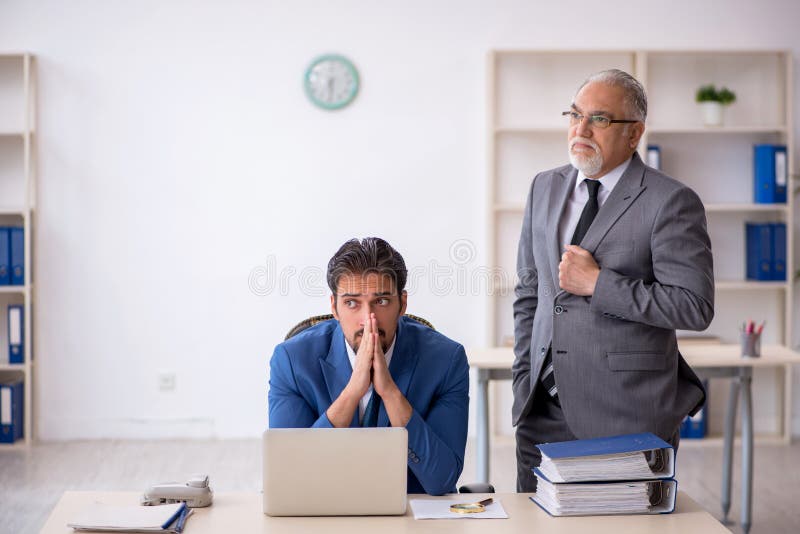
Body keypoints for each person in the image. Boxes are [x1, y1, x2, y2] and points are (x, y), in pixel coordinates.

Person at [512, 69, 714, 492]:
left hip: (627, 410)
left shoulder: (670, 201)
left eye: (600, 119)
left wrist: (599, 284)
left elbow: (694, 306)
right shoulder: (544, 187)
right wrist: (523, 383)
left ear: (634, 133)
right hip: (541, 408)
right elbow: (530, 294)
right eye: (575, 114)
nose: (581, 129)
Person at [268, 237, 469, 495]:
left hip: (410, 514)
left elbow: (440, 480)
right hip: (323, 507)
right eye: (352, 303)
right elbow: (290, 477)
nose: (367, 319)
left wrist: (390, 392)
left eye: (382, 301)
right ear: (334, 307)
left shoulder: (446, 361)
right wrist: (352, 392)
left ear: (402, 304)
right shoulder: (292, 361)